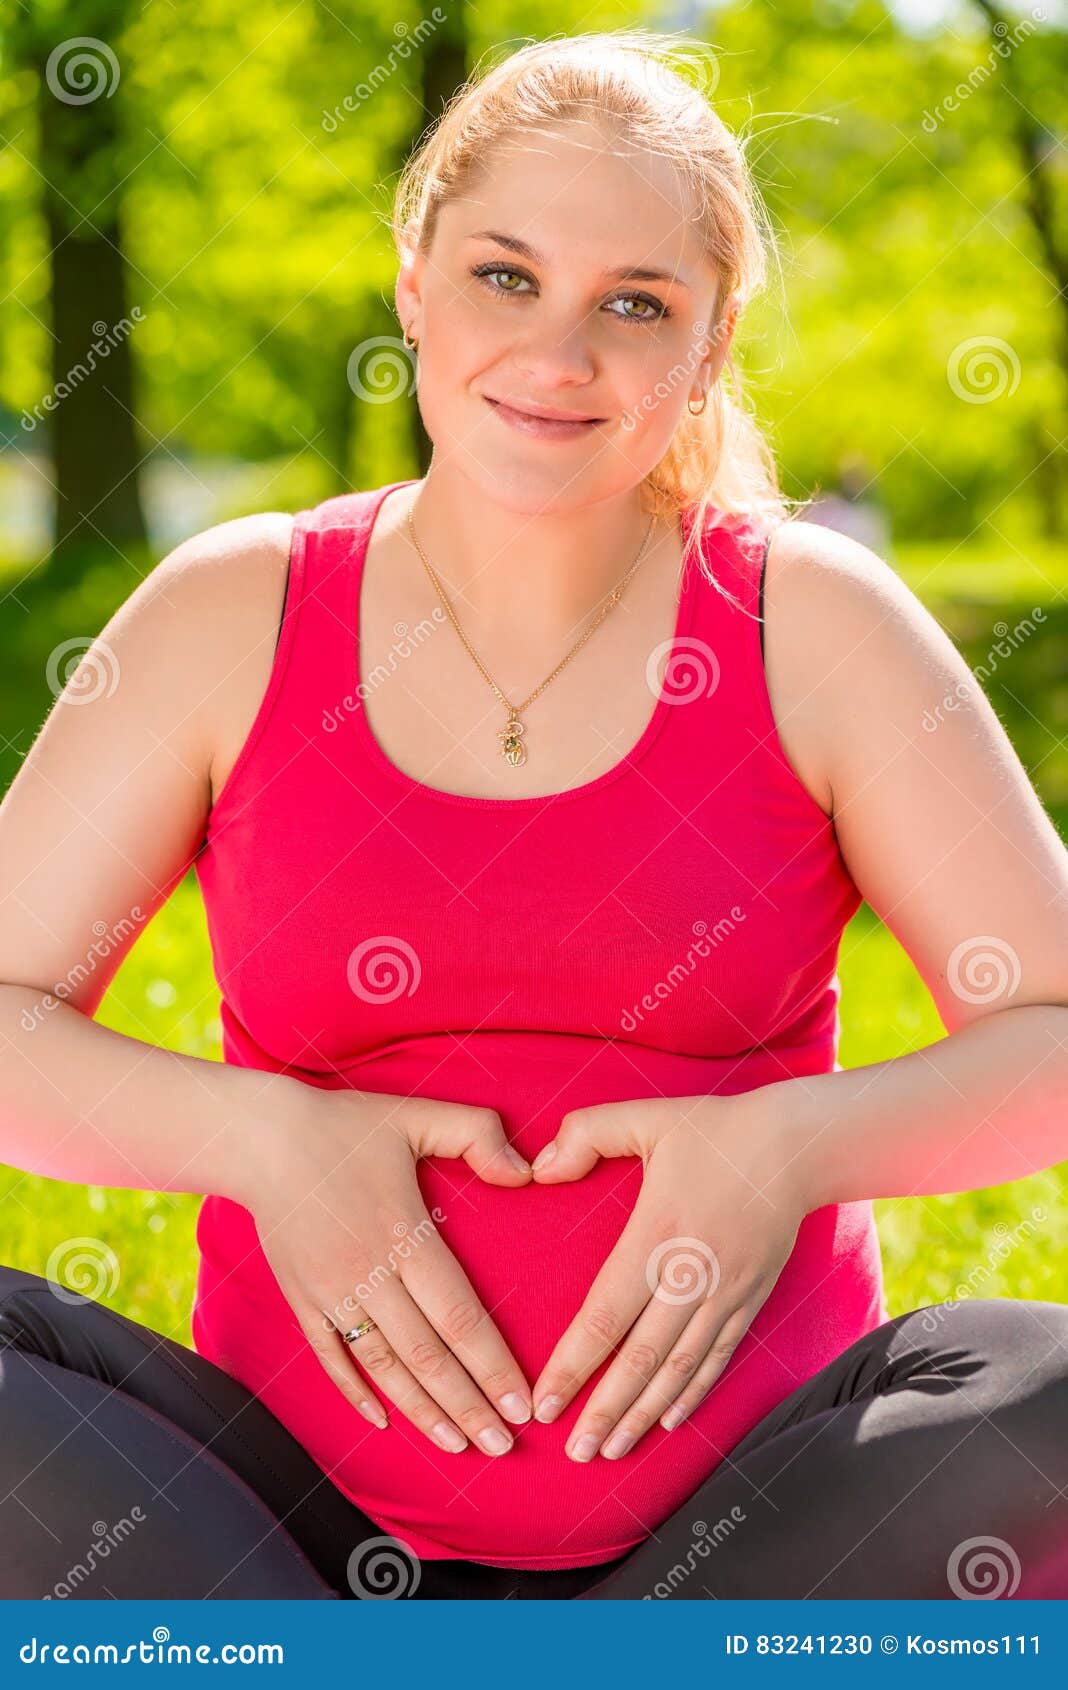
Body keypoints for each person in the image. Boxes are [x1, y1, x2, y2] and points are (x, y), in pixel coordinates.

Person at [2, 30, 1067, 1601]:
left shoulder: (811, 623)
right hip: (277, 1536)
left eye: (634, 305)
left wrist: (781, 1149)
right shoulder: (237, 611)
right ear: (413, 286)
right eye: (507, 276)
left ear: (707, 349)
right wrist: (268, 1141)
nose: (560, 355)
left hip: (745, 1544)